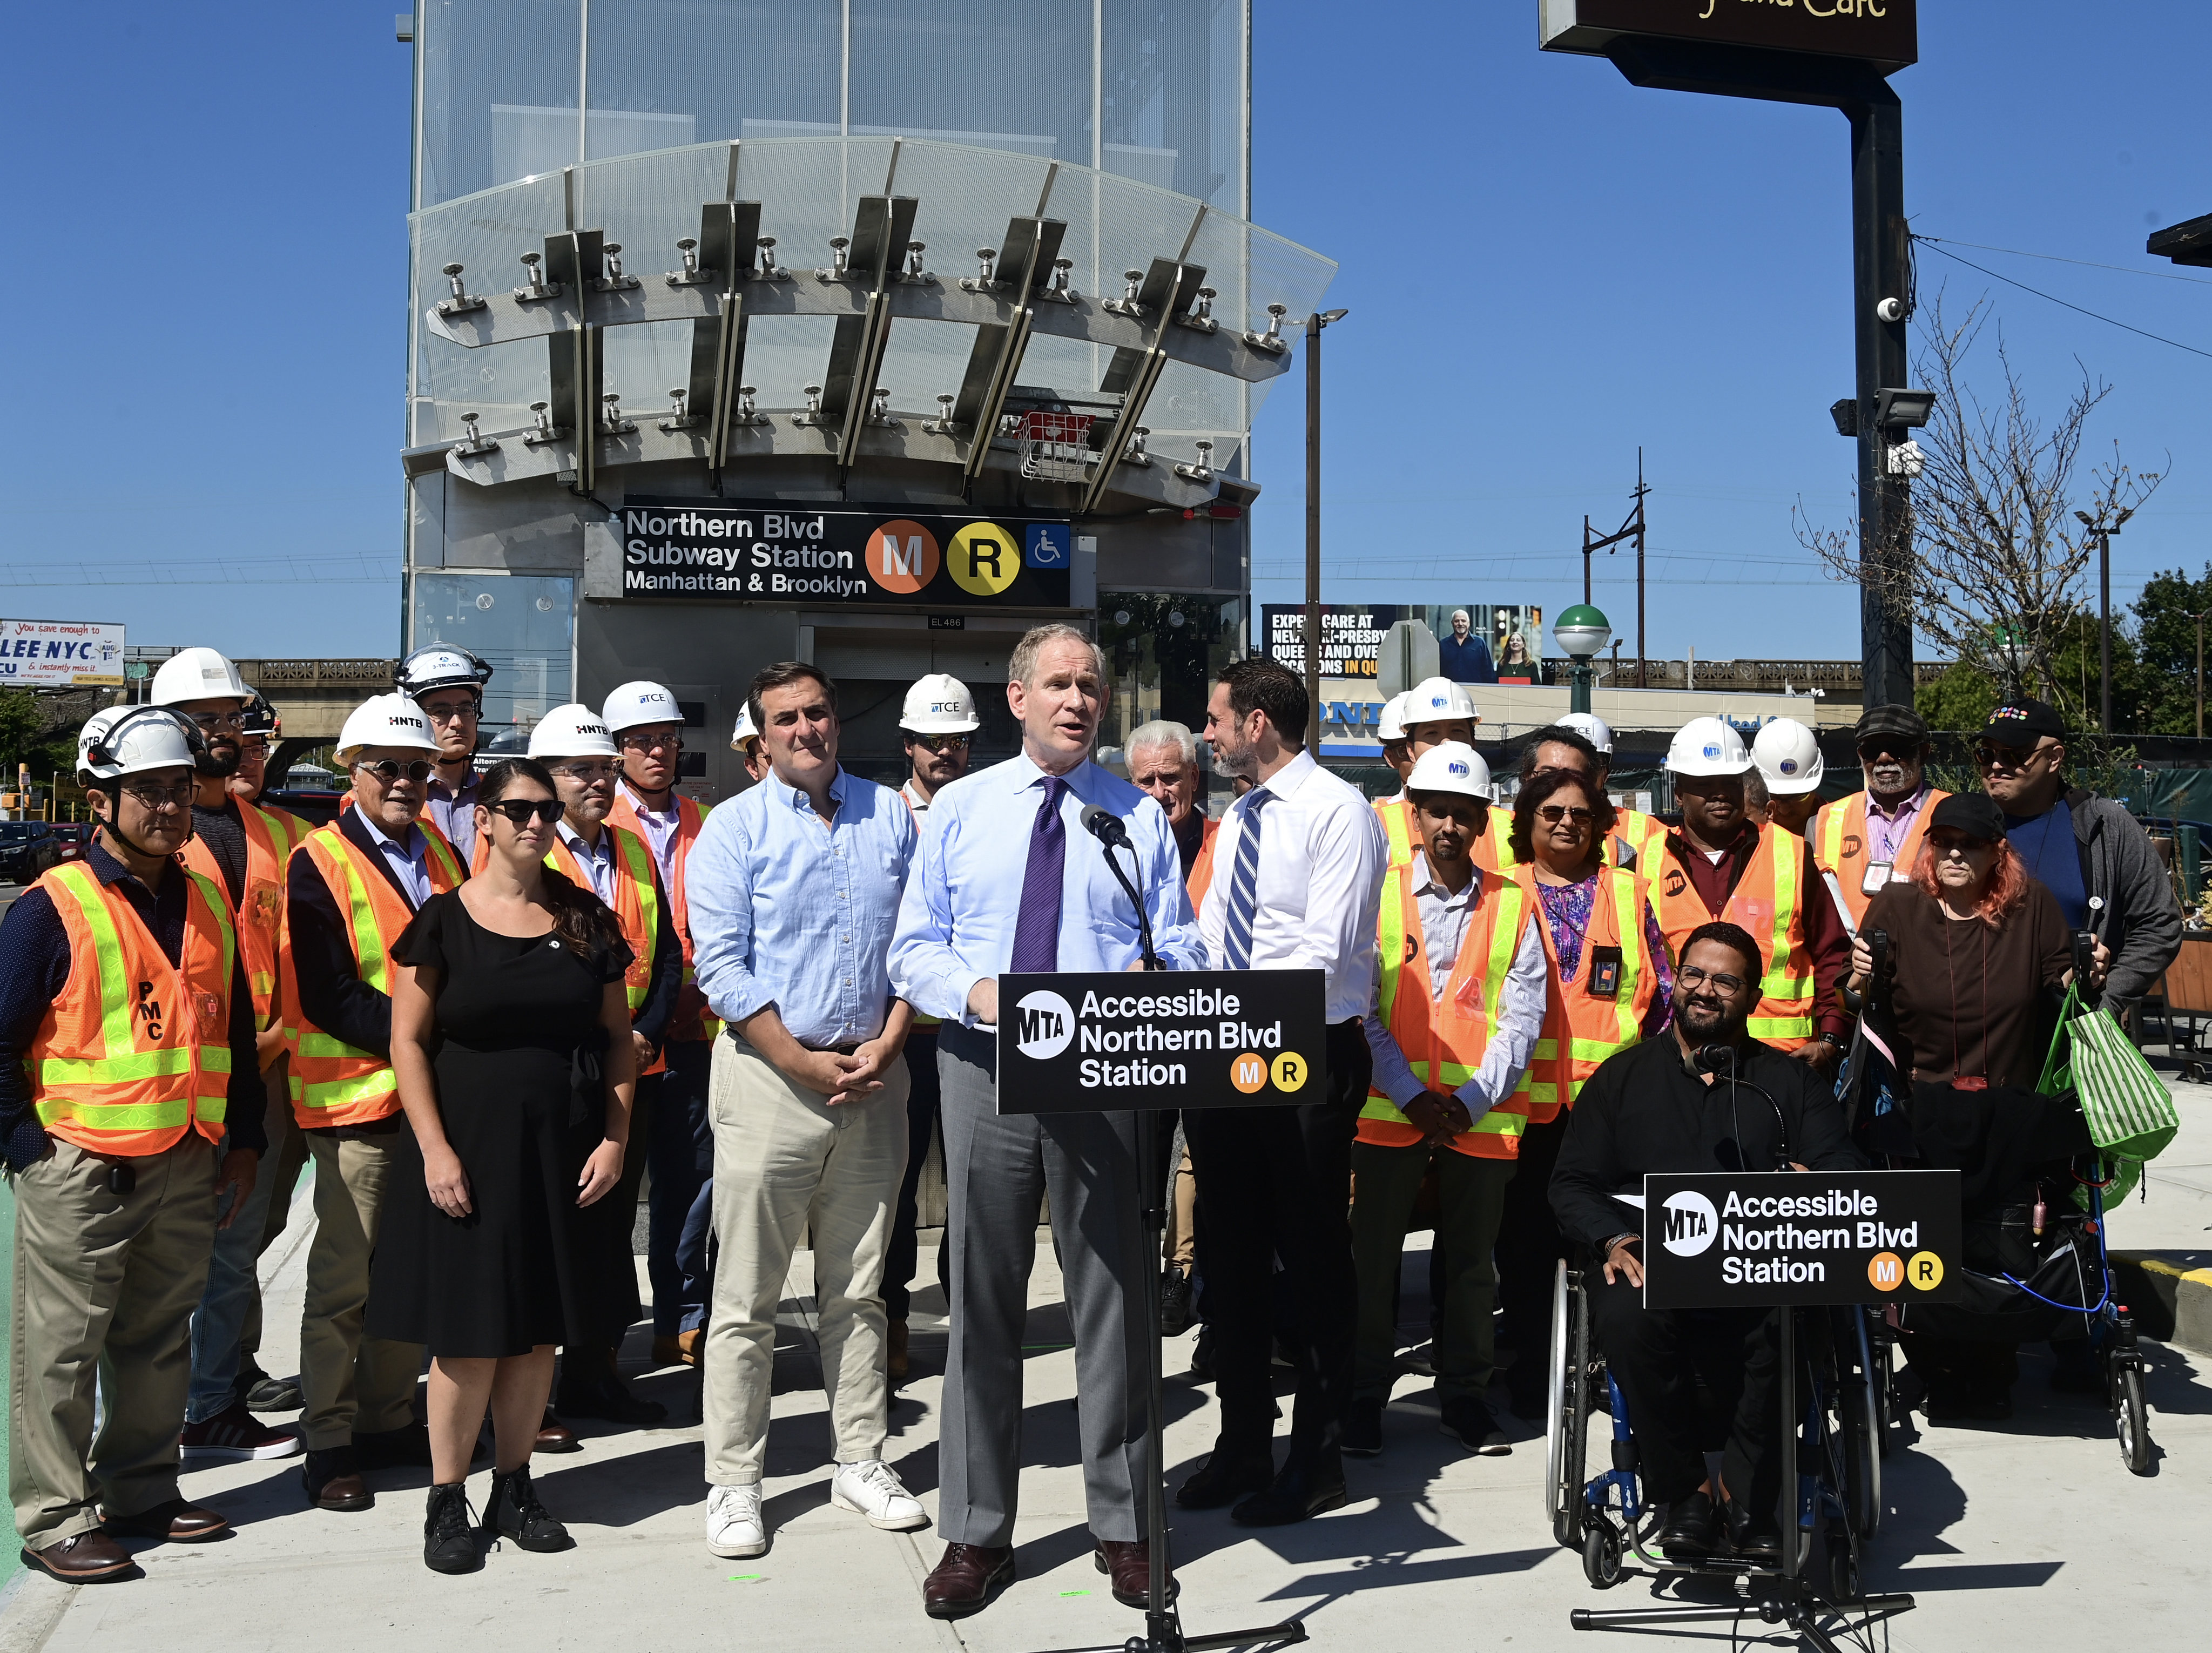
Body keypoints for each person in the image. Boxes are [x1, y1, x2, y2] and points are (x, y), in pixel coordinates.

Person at [889, 623, 1204, 1620]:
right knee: (983, 1303)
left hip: (1105, 1076)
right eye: (1058, 684)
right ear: (1016, 698)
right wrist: (976, 991)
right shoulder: (963, 811)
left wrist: (1165, 974)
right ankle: (977, 1530)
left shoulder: (1134, 819)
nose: (1077, 700)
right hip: (986, 1071)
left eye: (1091, 686)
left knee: (1112, 1304)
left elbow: (1182, 941)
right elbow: (913, 950)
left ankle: (1123, 1523)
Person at [0, 708, 268, 1582]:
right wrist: (25, 1146)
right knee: (62, 1352)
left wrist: (244, 1141)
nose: (168, 805)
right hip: (80, 1167)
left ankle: (142, 1490)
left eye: (178, 789)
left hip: (184, 1159)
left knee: (158, 1340)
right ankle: (55, 1518)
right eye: (146, 790)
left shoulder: (204, 906)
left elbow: (232, 1033)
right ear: (99, 798)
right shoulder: (53, 907)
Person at [372, 757, 638, 1572]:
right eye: (517, 809)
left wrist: (615, 1140)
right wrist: (435, 1149)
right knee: (468, 1336)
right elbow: (407, 1041)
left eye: (546, 810)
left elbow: (619, 1042)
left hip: (563, 1149)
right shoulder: (443, 921)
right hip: (471, 1152)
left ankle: (515, 1486)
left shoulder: (586, 918)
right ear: (482, 819)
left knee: (536, 1337)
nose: (535, 823)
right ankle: (448, 1500)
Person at [685, 662, 926, 1560]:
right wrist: (800, 1059)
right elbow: (722, 966)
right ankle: (734, 1482)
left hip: (874, 1079)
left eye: (817, 713)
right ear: (761, 734)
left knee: (859, 1290)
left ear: (837, 720)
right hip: (769, 1082)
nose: (805, 730)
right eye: (785, 719)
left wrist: (893, 1038)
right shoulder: (729, 830)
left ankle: (859, 1458)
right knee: (745, 1298)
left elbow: (921, 939)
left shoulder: (889, 815)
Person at [1550, 922, 1863, 1562]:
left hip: (1763, 1268)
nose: (1704, 990)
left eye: (1725, 980)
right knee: (1625, 1311)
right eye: (1694, 974)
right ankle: (1685, 1493)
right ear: (1676, 980)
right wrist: (1611, 1238)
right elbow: (1572, 1182)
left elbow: (1843, 1174)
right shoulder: (1621, 1078)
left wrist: (1809, 1186)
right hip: (1653, 1263)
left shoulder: (1787, 1085)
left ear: (1752, 995)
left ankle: (1750, 1499)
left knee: (1801, 1317)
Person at [1185, 657, 1388, 1527]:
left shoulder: (1338, 811)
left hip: (1304, 1050)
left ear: (1258, 722)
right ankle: (1242, 1441)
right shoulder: (1241, 818)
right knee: (1228, 1253)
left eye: (1217, 718)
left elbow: (1327, 944)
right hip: (1229, 1049)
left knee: (1310, 1259)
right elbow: (1214, 929)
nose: (1208, 732)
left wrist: (1239, 1006)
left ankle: (1318, 1454)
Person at [1844, 792, 2109, 1419]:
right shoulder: (1900, 907)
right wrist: (1858, 977)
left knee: (2000, 1240)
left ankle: (1993, 1360)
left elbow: (2062, 988)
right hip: (1926, 1105)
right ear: (1930, 847)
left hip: (2010, 1110)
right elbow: (1857, 998)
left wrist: (2088, 970)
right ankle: (1934, 1361)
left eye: (1971, 843)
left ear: (1998, 853)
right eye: (1944, 841)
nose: (1955, 852)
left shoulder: (2031, 908)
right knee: (1927, 1235)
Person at [284, 693, 467, 1510]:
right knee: (343, 1284)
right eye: (387, 767)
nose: (404, 781)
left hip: (433, 1102)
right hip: (358, 1101)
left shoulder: (439, 851)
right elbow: (324, 993)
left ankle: (389, 1416)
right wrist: (418, 1036)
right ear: (348, 771)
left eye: (418, 768)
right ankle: (327, 1441)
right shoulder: (315, 860)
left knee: (413, 1274)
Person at [1350, 743, 1543, 1460]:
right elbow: (1360, 1008)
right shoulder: (1377, 893)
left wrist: (1467, 1098)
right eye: (1438, 812)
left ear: (1482, 822)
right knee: (1371, 1266)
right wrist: (1408, 1095)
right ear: (1414, 815)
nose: (1452, 827)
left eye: (1465, 814)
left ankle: (1464, 1397)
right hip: (1387, 1110)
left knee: (1470, 1266)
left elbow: (1523, 1016)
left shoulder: (1513, 903)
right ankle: (1363, 1396)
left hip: (1479, 1116)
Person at [146, 652, 305, 1466]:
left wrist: (276, 1041)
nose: (220, 732)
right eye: (202, 718)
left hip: (266, 1074)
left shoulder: (280, 834)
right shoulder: (154, 836)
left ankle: (217, 1395)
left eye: (228, 717)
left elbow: (303, 951)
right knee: (171, 1258)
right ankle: (181, 1408)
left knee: (237, 1244)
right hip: (176, 1081)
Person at [1495, 766, 1672, 1418]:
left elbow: (1662, 1000)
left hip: (1611, 1110)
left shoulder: (1628, 893)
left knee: (1607, 1242)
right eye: (1551, 813)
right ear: (1526, 824)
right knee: (1524, 1245)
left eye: (1579, 813)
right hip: (1524, 1109)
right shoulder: (1502, 894)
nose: (1566, 823)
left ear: (1600, 825)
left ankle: (1604, 1366)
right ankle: (1530, 1372)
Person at [528, 704, 681, 1425]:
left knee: (609, 1233)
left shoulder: (633, 848)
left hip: (632, 1073)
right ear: (547, 778)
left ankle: (596, 1373)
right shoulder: (525, 853)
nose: (599, 780)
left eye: (604, 769)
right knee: (545, 1232)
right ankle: (533, 1393)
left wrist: (645, 1030)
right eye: (582, 769)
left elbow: (669, 953)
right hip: (559, 1076)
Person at [602, 682, 719, 1371]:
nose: (656, 750)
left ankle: (683, 1315)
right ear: (619, 750)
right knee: (612, 1189)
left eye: (667, 738)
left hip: (697, 1028)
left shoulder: (706, 821)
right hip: (625, 1033)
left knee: (692, 1182)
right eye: (642, 740)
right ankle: (609, 1326)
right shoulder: (594, 820)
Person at [1651, 718, 1850, 1073]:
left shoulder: (1793, 856)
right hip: (1678, 1063)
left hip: (1778, 1063)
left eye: (1730, 780)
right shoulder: (1645, 865)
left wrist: (1832, 1037)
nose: (1720, 792)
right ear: (1679, 791)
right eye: (1704, 783)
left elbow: (1833, 954)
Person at [882, 673, 978, 1382]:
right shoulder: (885, 816)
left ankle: (973, 1314)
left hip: (978, 1030)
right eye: (932, 740)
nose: (945, 751)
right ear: (909, 744)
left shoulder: (989, 813)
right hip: (906, 1032)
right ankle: (891, 1321)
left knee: (981, 1183)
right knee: (899, 1182)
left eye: (957, 740)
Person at [1975, 698, 2180, 1028]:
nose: (1997, 765)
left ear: (2055, 758)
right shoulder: (1957, 829)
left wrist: (2107, 1002)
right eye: (1987, 754)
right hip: (1976, 1036)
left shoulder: (2104, 825)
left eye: (2015, 754)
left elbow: (2160, 923)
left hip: (2071, 1037)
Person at [1810, 704, 1949, 930]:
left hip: (1926, 959)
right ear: (1861, 756)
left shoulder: (1950, 811)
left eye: (1897, 748)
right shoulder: (1824, 821)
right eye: (1872, 750)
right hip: (1848, 960)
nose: (1884, 758)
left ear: (1923, 753)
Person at [397, 644, 495, 872]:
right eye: (441, 711)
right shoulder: (391, 796)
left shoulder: (497, 793)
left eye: (466, 708)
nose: (457, 722)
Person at [1376, 679, 1480, 866]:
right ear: (1410, 749)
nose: (1445, 743)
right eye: (1432, 734)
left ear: (1474, 742)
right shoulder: (1376, 822)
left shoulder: (1505, 826)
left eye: (1457, 731)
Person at [1555, 712, 1667, 871]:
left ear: (1605, 773)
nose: (1577, 778)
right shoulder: (1527, 828)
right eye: (1568, 770)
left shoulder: (1649, 831)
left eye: (1589, 768)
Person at [1127, 719, 1216, 883]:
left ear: (1194, 778)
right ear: (1134, 787)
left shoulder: (1224, 843)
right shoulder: (1120, 850)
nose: (1160, 794)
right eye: (1147, 781)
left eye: (1170, 778)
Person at [1750, 718, 1823, 836]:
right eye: (1773, 797)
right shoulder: (1741, 831)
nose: (1784, 810)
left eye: (1798, 797)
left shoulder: (1838, 826)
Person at [1438, 608, 1497, 684]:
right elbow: (1439, 670)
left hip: (1475, 691)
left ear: (1469, 624)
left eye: (1463, 621)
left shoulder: (1479, 643)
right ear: (1452, 623)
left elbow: (1488, 671)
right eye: (1457, 621)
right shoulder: (1443, 644)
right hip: (1450, 691)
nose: (1460, 624)